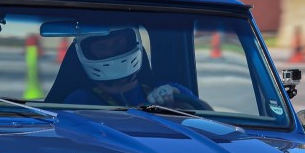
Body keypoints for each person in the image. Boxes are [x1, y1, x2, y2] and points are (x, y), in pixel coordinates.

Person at [63, 27, 207, 109]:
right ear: (87, 53)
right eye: (101, 47)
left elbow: (211, 119)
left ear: (133, 44)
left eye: (119, 44)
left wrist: (179, 102)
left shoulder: (166, 90)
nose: (111, 52)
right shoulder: (80, 100)